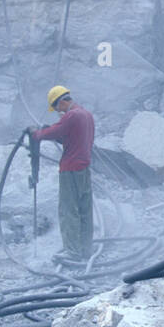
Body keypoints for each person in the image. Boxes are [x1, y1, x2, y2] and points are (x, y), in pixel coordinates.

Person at [29, 85, 95, 262]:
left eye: (57, 108)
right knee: (84, 209)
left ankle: (72, 252)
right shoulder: (86, 115)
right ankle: (85, 249)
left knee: (68, 210)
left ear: (62, 102)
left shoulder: (72, 115)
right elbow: (68, 137)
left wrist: (36, 133)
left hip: (70, 169)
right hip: (84, 168)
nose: (58, 112)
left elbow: (55, 131)